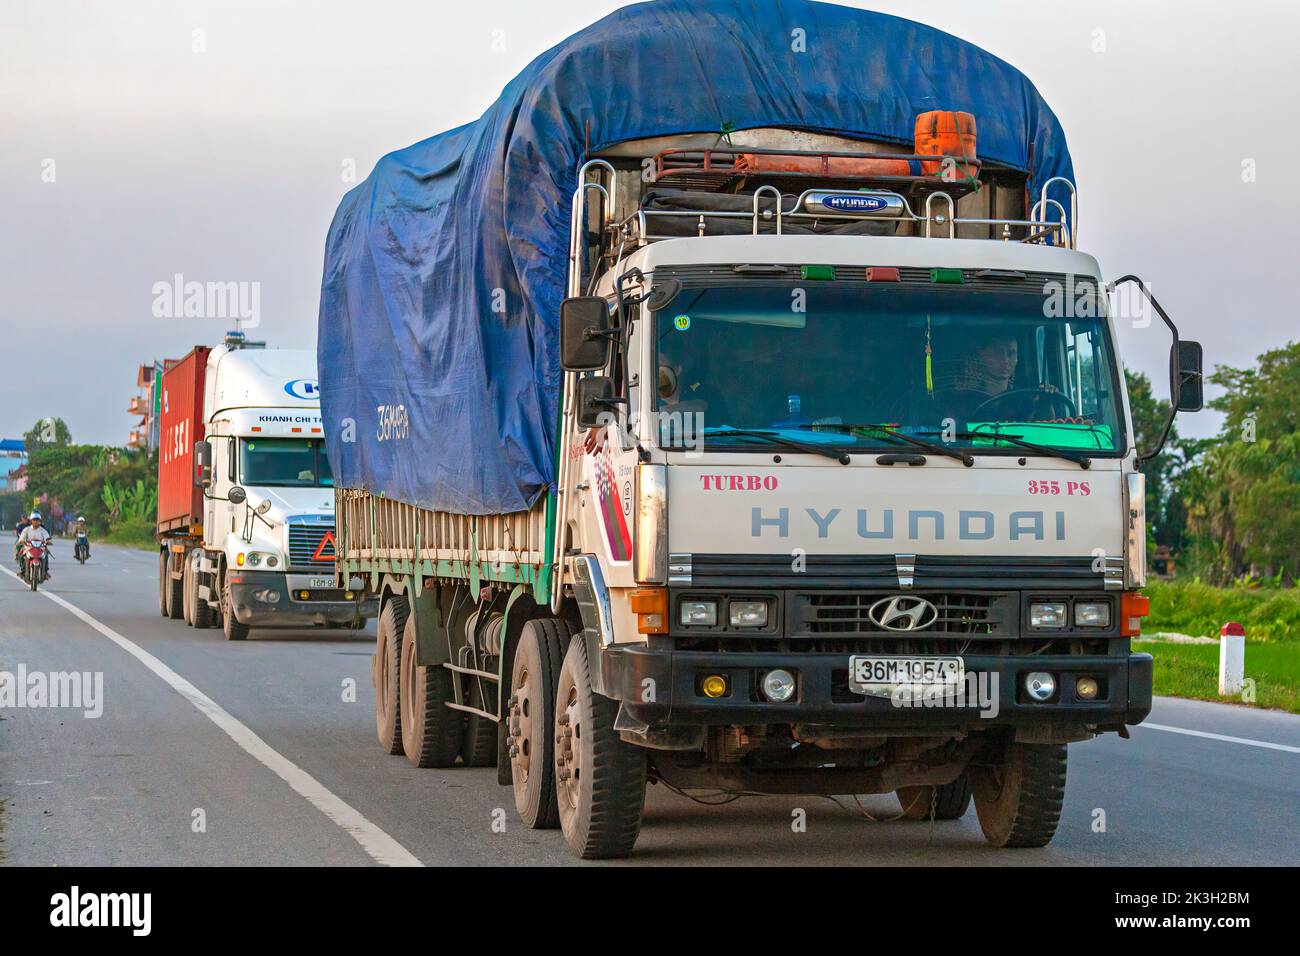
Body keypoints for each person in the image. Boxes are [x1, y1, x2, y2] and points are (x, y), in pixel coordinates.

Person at [17, 510, 53, 579]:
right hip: (28, 547)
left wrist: (47, 541)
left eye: (37, 520)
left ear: (40, 521)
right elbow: (22, 538)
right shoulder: (26, 529)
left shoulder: (42, 530)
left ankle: (45, 571)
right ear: (31, 521)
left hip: (40, 547)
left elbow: (47, 537)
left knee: (46, 555)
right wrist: (22, 541)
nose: (36, 521)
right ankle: (23, 570)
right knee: (21, 555)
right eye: (34, 520)